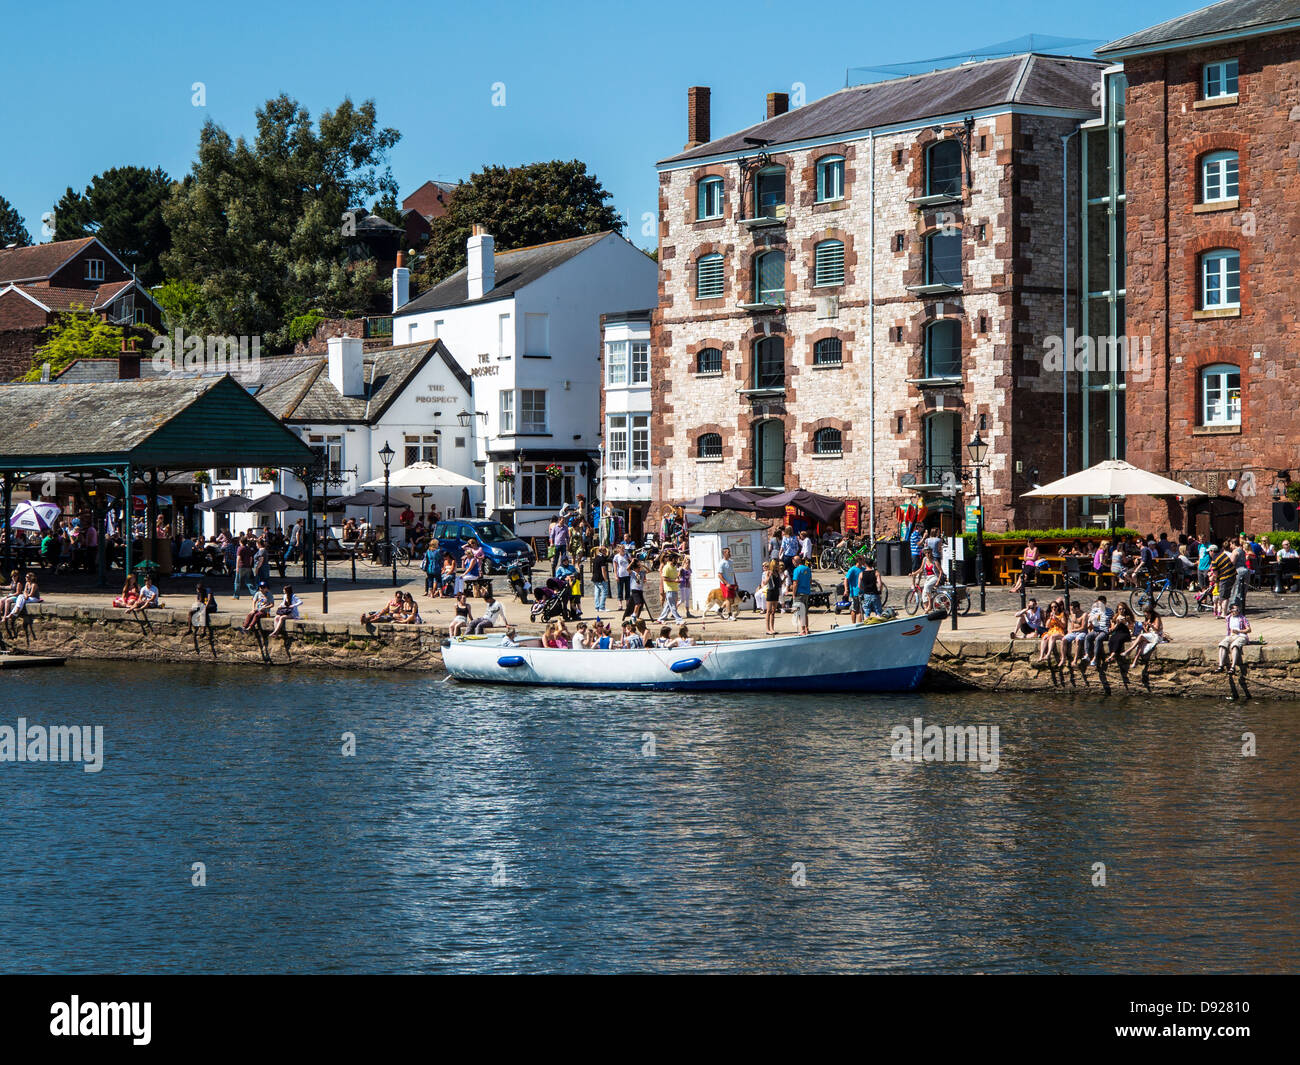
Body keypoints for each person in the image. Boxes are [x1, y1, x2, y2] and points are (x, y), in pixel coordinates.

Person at [1216, 602, 1251, 674]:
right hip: (1231, 635)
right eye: (1235, 609)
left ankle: (1233, 666)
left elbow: (1249, 629)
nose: (1237, 611)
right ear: (1231, 610)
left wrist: (1239, 631)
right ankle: (1220, 665)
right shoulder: (1228, 618)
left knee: (1234, 646)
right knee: (1222, 644)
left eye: (1238, 609)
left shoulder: (1242, 618)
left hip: (1241, 636)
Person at [657, 552, 684, 622]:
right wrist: (674, 580)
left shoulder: (674, 567)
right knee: (672, 606)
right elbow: (664, 578)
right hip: (669, 589)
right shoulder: (666, 567)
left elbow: (675, 577)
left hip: (674, 589)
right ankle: (679, 620)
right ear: (672, 559)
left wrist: (678, 578)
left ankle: (661, 618)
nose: (677, 560)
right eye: (676, 559)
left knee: (668, 606)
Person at [913, 547, 941, 612]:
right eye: (926, 553)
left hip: (934, 577)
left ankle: (930, 605)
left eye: (929, 553)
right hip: (928, 577)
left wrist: (938, 582)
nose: (928, 554)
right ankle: (926, 608)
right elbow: (921, 569)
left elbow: (940, 571)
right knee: (923, 593)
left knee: (927, 586)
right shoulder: (925, 559)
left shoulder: (935, 561)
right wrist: (914, 574)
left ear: (931, 552)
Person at [791, 554, 812, 635]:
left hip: (799, 593)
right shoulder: (807, 569)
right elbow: (810, 581)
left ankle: (803, 630)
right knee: (805, 612)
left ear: (795, 561)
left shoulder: (796, 570)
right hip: (806, 592)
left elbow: (795, 583)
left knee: (800, 612)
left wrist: (793, 594)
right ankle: (807, 628)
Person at [717, 547, 740, 621]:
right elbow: (719, 575)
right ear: (724, 553)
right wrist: (726, 583)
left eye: (730, 552)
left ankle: (720, 610)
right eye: (728, 552)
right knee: (728, 599)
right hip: (725, 584)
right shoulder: (722, 563)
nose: (730, 553)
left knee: (731, 601)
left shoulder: (731, 562)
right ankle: (730, 615)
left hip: (732, 582)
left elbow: (733, 573)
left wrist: (735, 582)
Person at [762, 560, 781, 635]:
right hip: (770, 591)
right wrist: (769, 576)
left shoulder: (777, 573)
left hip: (776, 591)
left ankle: (772, 628)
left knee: (773, 611)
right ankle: (767, 629)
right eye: (776, 564)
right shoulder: (769, 572)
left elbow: (779, 583)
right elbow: (765, 582)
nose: (777, 566)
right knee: (769, 611)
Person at [591, 546, 610, 612]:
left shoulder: (596, 557)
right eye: (604, 550)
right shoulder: (601, 559)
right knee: (604, 591)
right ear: (601, 551)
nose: (606, 551)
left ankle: (597, 607)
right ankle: (602, 607)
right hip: (600, 578)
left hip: (595, 577)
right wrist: (605, 578)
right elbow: (603, 570)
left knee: (597, 592)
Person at [613, 545, 631, 609]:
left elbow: (632, 562)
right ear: (618, 549)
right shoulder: (616, 557)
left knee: (628, 589)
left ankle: (628, 603)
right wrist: (616, 575)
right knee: (620, 589)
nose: (623, 550)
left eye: (624, 548)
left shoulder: (627, 555)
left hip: (627, 574)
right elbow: (615, 567)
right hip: (620, 574)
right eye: (622, 548)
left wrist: (629, 558)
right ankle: (620, 604)